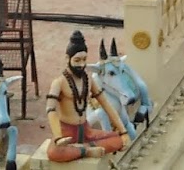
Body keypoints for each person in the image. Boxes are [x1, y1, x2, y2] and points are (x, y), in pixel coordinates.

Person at [44, 31, 128, 162]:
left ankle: (80, 149)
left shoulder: (88, 78)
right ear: (68, 59)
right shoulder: (59, 83)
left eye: (84, 60)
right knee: (54, 152)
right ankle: (87, 150)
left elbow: (105, 104)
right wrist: (58, 136)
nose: (82, 65)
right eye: (77, 60)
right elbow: (51, 110)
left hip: (86, 130)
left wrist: (123, 131)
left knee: (118, 140)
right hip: (66, 132)